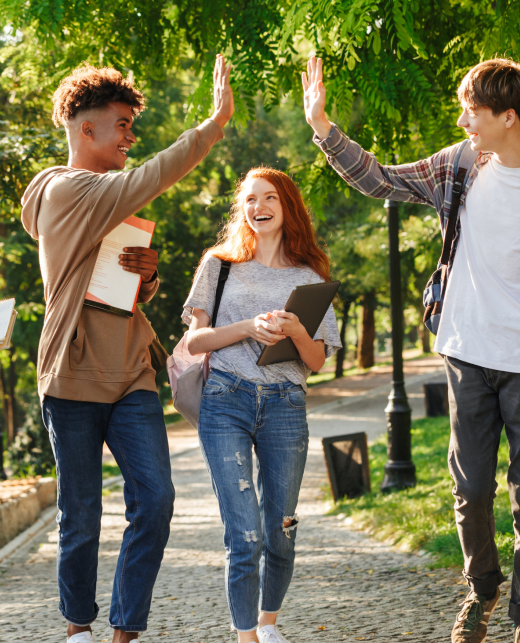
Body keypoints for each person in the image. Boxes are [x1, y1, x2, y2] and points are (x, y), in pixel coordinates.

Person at [300, 57, 520, 643]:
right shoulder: (460, 166)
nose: (462, 122)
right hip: (467, 352)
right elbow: (382, 180)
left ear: (508, 116)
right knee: (471, 489)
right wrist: (323, 128)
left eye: (471, 112)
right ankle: (481, 588)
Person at [19, 55, 234, 643]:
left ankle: (125, 629)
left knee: (156, 499)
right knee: (81, 515)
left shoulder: (106, 200)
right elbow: (151, 175)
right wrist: (212, 125)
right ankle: (78, 629)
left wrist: (148, 275)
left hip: (132, 371)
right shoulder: (68, 190)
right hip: (73, 374)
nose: (130, 138)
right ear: (86, 129)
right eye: (121, 125)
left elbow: (117, 287)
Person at [182, 167, 341, 643]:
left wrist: (296, 330)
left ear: (287, 206)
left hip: (285, 405)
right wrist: (249, 327)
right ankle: (245, 634)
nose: (259, 207)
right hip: (225, 399)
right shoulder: (220, 264)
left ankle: (268, 624)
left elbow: (316, 361)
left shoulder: (310, 277)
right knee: (244, 532)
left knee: (280, 529)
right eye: (250, 199)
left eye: (270, 197)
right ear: (242, 209)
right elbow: (195, 342)